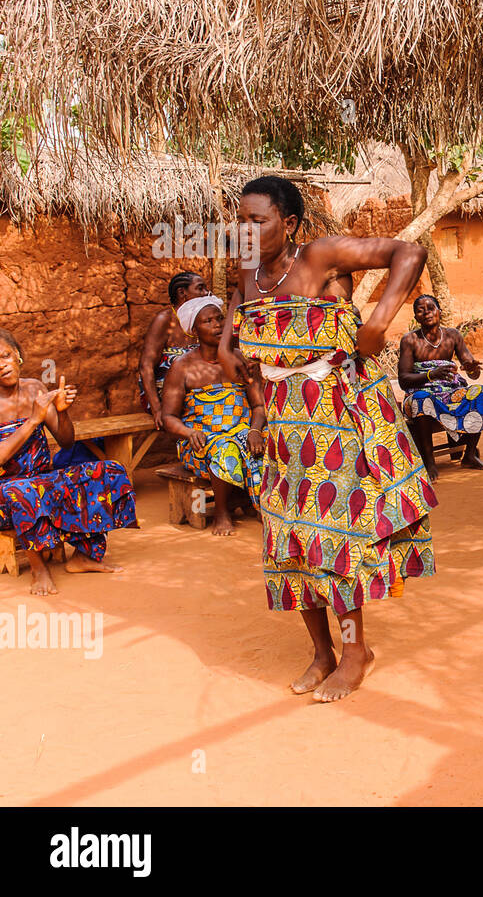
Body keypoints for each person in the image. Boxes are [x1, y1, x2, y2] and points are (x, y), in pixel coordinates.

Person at [219, 175, 436, 703]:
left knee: (332, 539)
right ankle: (321, 652)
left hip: (337, 421)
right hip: (281, 432)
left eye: (257, 221)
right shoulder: (246, 274)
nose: (245, 231)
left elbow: (410, 251)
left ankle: (356, 651)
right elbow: (231, 338)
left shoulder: (319, 258)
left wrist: (379, 322)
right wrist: (238, 365)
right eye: (240, 221)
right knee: (286, 539)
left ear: (289, 224)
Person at [0, 329, 136, 595]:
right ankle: (39, 569)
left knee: (108, 471)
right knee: (22, 491)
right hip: (5, 491)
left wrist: (62, 413)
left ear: (17, 355)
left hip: (43, 479)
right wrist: (33, 420)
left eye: (5, 355)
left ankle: (84, 556)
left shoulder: (35, 388)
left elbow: (66, 441)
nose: (1, 364)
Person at [160, 296, 265, 536]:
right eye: (208, 321)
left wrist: (255, 430)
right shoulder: (182, 367)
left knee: (270, 443)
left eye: (219, 318)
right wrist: (188, 432)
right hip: (200, 440)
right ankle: (222, 513)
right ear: (194, 331)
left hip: (244, 433)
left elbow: (258, 405)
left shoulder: (241, 358)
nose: (217, 325)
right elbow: (168, 417)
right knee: (223, 448)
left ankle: (263, 507)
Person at [397, 294, 483, 479]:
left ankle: (469, 454)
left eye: (431, 308)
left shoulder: (452, 335)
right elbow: (403, 379)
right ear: (416, 317)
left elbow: (472, 372)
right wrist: (431, 375)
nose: (426, 313)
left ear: (439, 312)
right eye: (420, 310)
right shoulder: (410, 340)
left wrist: (472, 370)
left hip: (449, 391)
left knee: (481, 392)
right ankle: (430, 462)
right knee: (422, 401)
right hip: (420, 392)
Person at [139, 271, 208, 426]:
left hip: (194, 393)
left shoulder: (203, 321)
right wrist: (157, 409)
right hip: (164, 397)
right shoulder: (165, 319)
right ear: (182, 292)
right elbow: (146, 366)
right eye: (200, 288)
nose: (206, 294)